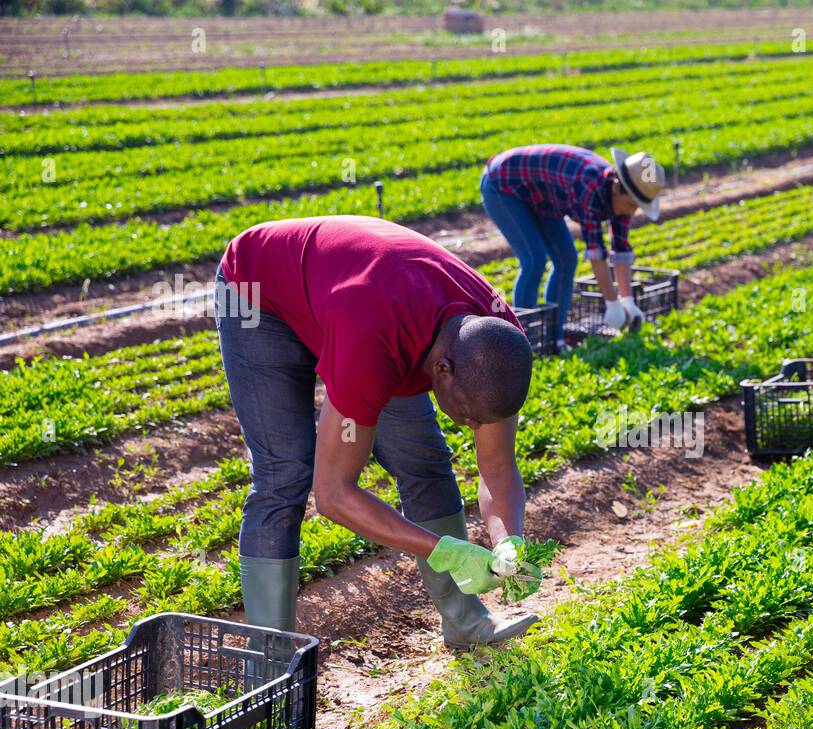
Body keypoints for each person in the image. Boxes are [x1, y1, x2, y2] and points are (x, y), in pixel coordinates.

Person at [215, 215, 540, 650]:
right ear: (441, 370)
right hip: (259, 294)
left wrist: (509, 541)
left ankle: (467, 623)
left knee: (422, 460)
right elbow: (333, 495)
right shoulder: (372, 345)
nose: (475, 427)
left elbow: (498, 466)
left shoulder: (494, 341)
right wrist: (443, 549)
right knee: (285, 472)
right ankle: (270, 666)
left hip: (360, 297)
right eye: (467, 415)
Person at [480, 144, 665, 340]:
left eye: (637, 207)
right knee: (534, 261)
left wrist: (627, 301)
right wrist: (612, 303)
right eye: (630, 205)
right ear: (617, 186)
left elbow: (620, 250)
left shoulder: (620, 199)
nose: (632, 212)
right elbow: (597, 254)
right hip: (503, 184)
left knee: (566, 260)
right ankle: (525, 339)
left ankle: (553, 339)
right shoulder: (589, 188)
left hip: (543, 194)